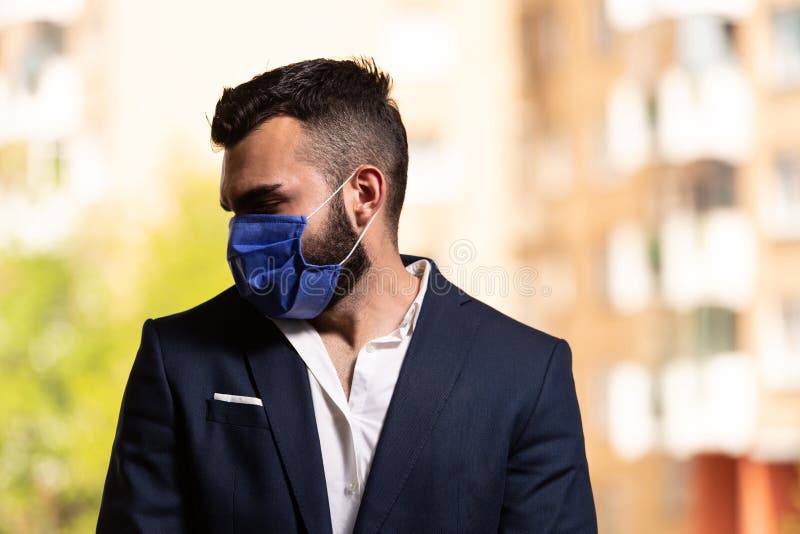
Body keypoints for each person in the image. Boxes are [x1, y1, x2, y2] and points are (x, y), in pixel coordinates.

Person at [97, 57, 597, 533]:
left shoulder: (525, 374)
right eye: (234, 212)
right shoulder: (180, 358)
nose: (241, 237)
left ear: (363, 195)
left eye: (266, 204)